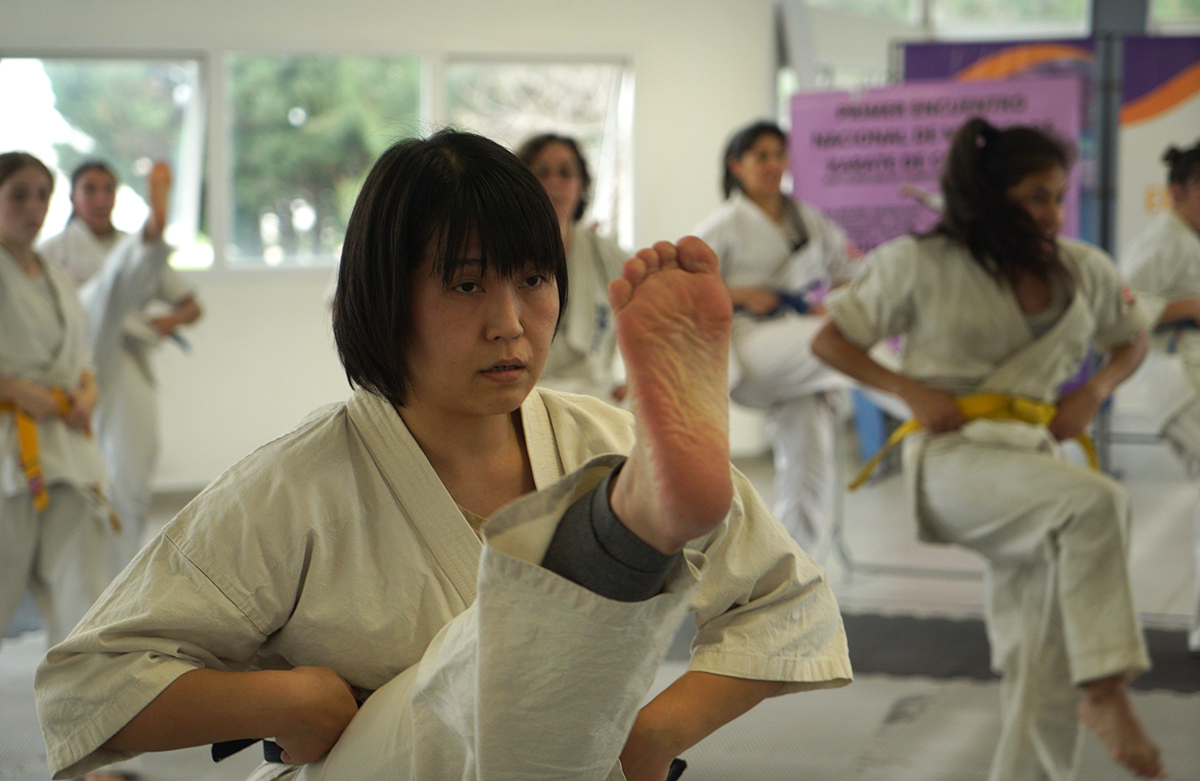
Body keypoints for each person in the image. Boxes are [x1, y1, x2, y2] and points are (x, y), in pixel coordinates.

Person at [36, 130, 852, 781]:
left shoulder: (600, 439)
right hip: (378, 770)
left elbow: (792, 605)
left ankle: (629, 530)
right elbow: (86, 687)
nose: (512, 322)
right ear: (386, 298)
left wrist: (650, 734)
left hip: (570, 770)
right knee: (461, 697)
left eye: (534, 279)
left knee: (540, 726)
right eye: (467, 286)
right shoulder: (297, 484)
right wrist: (288, 700)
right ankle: (622, 534)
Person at [811, 117, 1166, 780]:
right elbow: (831, 340)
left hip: (1036, 459)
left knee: (1043, 645)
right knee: (1094, 505)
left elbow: (1133, 337)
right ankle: (1108, 689)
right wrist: (906, 388)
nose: (1053, 212)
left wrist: (1095, 393)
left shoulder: (1084, 269)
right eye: (1036, 195)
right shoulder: (919, 264)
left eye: (1059, 195)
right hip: (955, 461)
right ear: (989, 195)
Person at [0, 152, 169, 652]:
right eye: (18, 195)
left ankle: (82, 709)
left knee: (83, 601)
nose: (33, 207)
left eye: (41, 196)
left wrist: (88, 390)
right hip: (10, 454)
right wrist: (14, 390)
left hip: (68, 455)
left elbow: (82, 357)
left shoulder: (53, 277)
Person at [692, 120, 860, 554]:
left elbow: (850, 272)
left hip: (797, 347)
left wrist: (836, 301)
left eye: (778, 154)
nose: (773, 164)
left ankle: (794, 562)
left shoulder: (807, 218)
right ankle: (929, 399)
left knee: (810, 456)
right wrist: (740, 293)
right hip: (748, 345)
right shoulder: (725, 223)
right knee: (851, 344)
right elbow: (683, 289)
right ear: (737, 165)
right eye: (760, 155)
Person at [39, 159, 202, 571]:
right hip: (76, 361)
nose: (99, 198)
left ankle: (125, 578)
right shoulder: (52, 252)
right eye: (89, 189)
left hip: (126, 359)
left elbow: (191, 306)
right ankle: (83, 576)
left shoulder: (133, 250)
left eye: (108, 189)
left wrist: (165, 322)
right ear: (73, 198)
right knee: (101, 295)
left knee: (130, 479)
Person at [1121, 137, 1200, 655]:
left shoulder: (1190, 238)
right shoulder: (1163, 238)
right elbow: (1124, 305)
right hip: (1175, 378)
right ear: (1177, 192)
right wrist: (1191, 305)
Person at [516, 132, 629, 403]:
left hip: (599, 393)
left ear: (582, 185)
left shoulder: (606, 253)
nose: (554, 183)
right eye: (543, 172)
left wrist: (638, 379)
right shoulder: (502, 251)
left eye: (566, 173)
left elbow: (655, 319)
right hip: (528, 394)